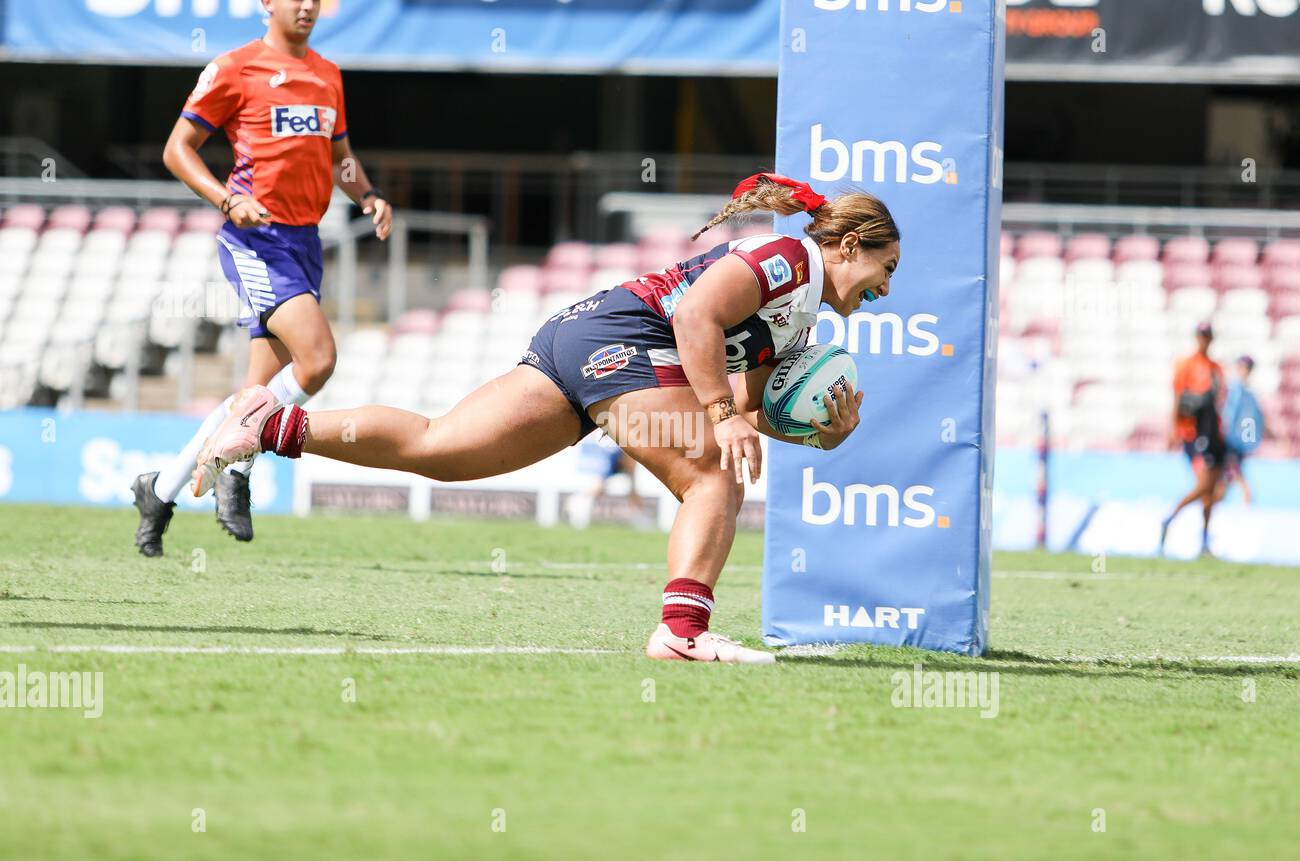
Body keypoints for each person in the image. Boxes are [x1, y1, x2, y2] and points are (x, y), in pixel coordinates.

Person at [192, 173, 900, 664]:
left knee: (441, 450)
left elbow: (745, 403)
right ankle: (684, 633)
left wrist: (813, 429)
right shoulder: (792, 260)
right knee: (713, 475)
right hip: (622, 341)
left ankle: (269, 424)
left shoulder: (800, 321)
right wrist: (721, 413)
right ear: (848, 246)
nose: (886, 288)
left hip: (585, 337)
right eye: (885, 268)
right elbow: (696, 317)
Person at [132, 0, 392, 556]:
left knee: (252, 396)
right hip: (256, 239)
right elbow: (177, 150)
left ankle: (160, 490)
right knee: (318, 358)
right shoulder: (234, 68)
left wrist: (367, 195)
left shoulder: (327, 73)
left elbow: (339, 154)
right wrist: (227, 200)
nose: (306, 5)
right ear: (266, 3)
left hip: (304, 243)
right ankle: (239, 469)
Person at [1159, 322, 1226, 556]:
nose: (1204, 340)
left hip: (1213, 434)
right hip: (1194, 434)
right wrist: (1173, 429)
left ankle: (1205, 540)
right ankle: (1170, 518)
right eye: (1201, 335)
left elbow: (1219, 403)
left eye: (1208, 336)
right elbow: (1178, 398)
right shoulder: (1186, 364)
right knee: (1204, 486)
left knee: (1212, 490)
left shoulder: (1216, 368)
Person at [1219, 355, 1266, 505]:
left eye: (1248, 368)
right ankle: (1246, 496)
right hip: (1229, 440)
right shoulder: (1234, 389)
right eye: (1243, 367)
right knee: (1233, 471)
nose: (1246, 371)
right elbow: (1227, 414)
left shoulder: (1249, 393)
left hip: (1239, 442)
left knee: (1227, 477)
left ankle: (1215, 502)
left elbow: (1254, 418)